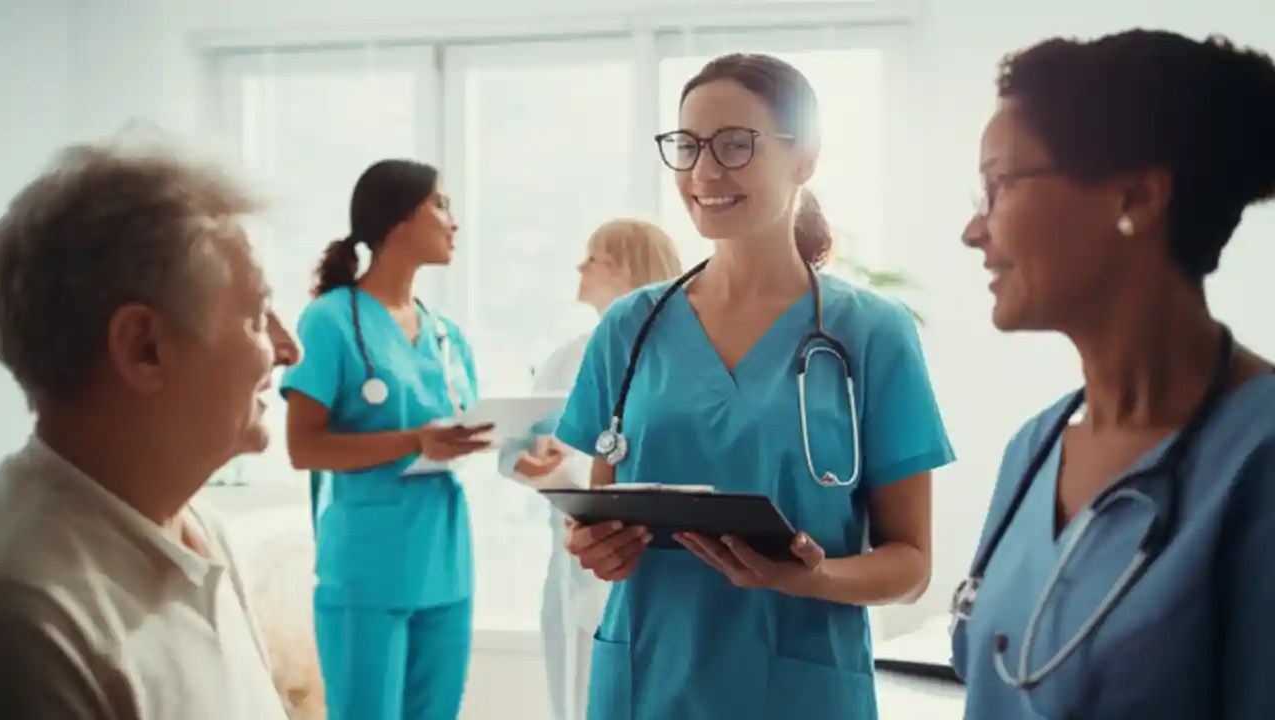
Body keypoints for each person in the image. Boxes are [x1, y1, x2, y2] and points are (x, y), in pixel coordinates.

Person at [554, 53, 956, 720]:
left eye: (736, 145)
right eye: (688, 147)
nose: (705, 172)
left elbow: (910, 564)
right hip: (646, 678)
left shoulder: (872, 334)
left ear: (805, 157)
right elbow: (603, 518)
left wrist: (814, 575)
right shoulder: (631, 327)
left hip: (799, 688)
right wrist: (597, 547)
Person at [951, 30, 1275, 719]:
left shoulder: (1260, 460)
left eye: (998, 185)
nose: (974, 230)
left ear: (1136, 197)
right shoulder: (1033, 450)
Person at [0, 143, 300, 718]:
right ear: (144, 349)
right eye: (258, 316)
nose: (289, 349)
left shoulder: (197, 526)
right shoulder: (29, 617)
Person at [281, 159, 491, 720]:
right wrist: (415, 441)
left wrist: (527, 447)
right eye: (441, 205)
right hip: (368, 565)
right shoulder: (329, 321)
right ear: (399, 220)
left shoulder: (446, 335)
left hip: (445, 560)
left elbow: (470, 426)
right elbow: (304, 447)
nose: (454, 222)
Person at [497, 218, 683, 720]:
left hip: (653, 562)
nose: (579, 268)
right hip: (573, 564)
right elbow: (514, 448)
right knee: (576, 699)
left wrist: (577, 467)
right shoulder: (569, 355)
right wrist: (531, 464)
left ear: (626, 269)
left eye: (593, 258)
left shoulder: (679, 352)